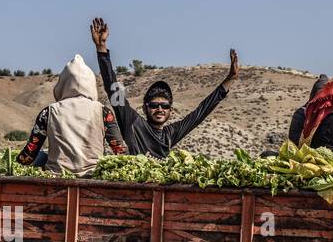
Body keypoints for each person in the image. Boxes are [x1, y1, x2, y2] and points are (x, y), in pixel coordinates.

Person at [89, 17, 238, 158]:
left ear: (170, 111)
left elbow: (200, 113)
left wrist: (229, 79)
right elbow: (114, 90)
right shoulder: (134, 123)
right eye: (154, 105)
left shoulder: (170, 135)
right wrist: (102, 49)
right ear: (145, 108)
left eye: (164, 106)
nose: (160, 109)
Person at [17, 54, 127, 176]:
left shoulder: (49, 112)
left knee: (42, 155)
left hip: (56, 177)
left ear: (63, 84)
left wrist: (13, 164)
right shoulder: (103, 111)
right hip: (93, 177)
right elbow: (119, 150)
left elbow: (30, 152)